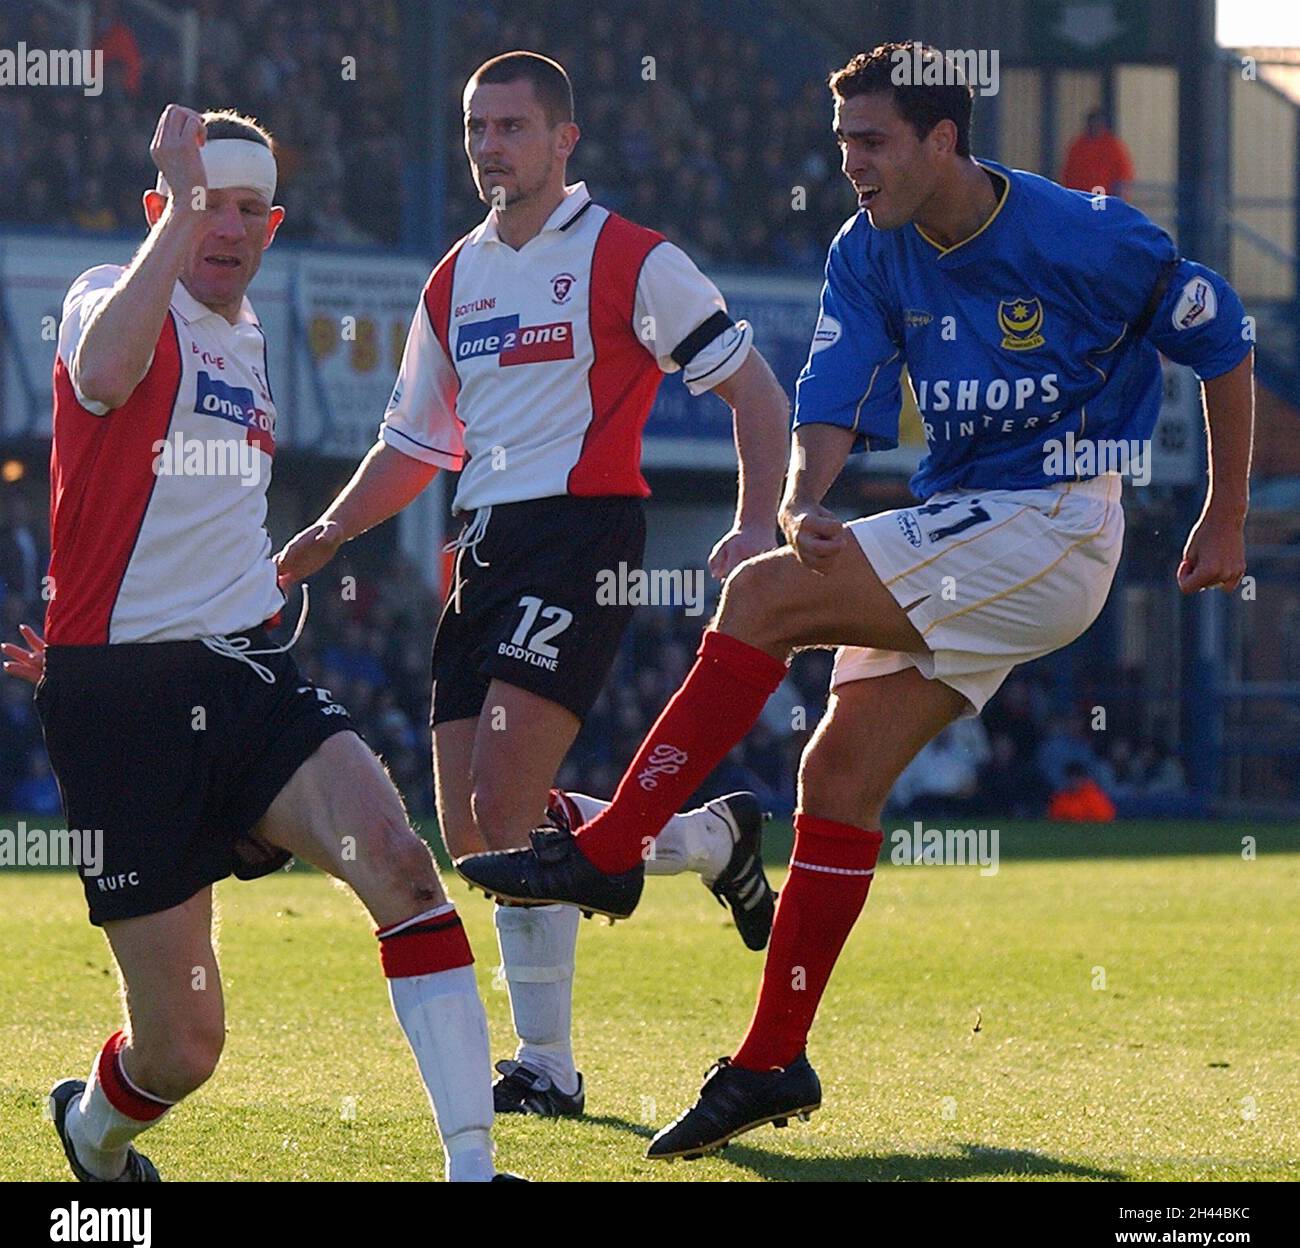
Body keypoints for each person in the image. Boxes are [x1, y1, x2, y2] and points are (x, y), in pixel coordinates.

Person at [457, 41, 1254, 1160]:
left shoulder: (1085, 232)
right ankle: (771, 1057)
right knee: (832, 771)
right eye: (841, 147)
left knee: (765, 603)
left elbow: (1220, 340)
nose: (853, 168)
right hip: (975, 524)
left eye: (872, 143)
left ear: (942, 140)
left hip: (1056, 520)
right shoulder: (865, 250)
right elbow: (825, 402)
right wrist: (794, 501)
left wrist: (1221, 514)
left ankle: (615, 847)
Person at [2, 105, 514, 1183]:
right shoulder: (110, 291)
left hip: (245, 673)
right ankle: (92, 1135)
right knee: (184, 1047)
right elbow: (101, 373)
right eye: (201, 205)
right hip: (119, 705)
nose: (222, 228)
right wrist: (96, 652)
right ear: (162, 207)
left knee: (405, 867)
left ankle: (473, 1165)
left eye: (244, 210)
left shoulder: (249, 340)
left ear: (272, 224)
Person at [275, 52, 790, 1119]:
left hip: (584, 535)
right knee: (480, 838)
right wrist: (330, 528)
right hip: (484, 546)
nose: (489, 147)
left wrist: (751, 526)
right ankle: (707, 837)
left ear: (565, 141)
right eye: (476, 129)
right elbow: (413, 442)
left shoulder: (632, 257)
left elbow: (757, 393)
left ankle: (545, 1068)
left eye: (511, 127)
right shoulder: (453, 277)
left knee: (505, 800)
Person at [1061, 108, 1135, 199]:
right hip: (1081, 195)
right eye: (1093, 123)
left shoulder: (1112, 146)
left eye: (1099, 123)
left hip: (1104, 195)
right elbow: (1068, 171)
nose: (1095, 126)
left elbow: (1123, 173)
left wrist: (1120, 195)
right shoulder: (1078, 146)